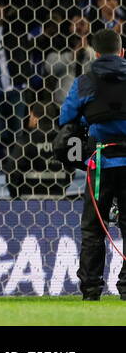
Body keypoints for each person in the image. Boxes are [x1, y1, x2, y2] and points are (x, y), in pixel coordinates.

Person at [58, 28, 126, 300]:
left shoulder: (85, 82)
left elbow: (67, 118)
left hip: (101, 163)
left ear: (95, 54)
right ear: (121, 52)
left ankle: (91, 290)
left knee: (93, 228)